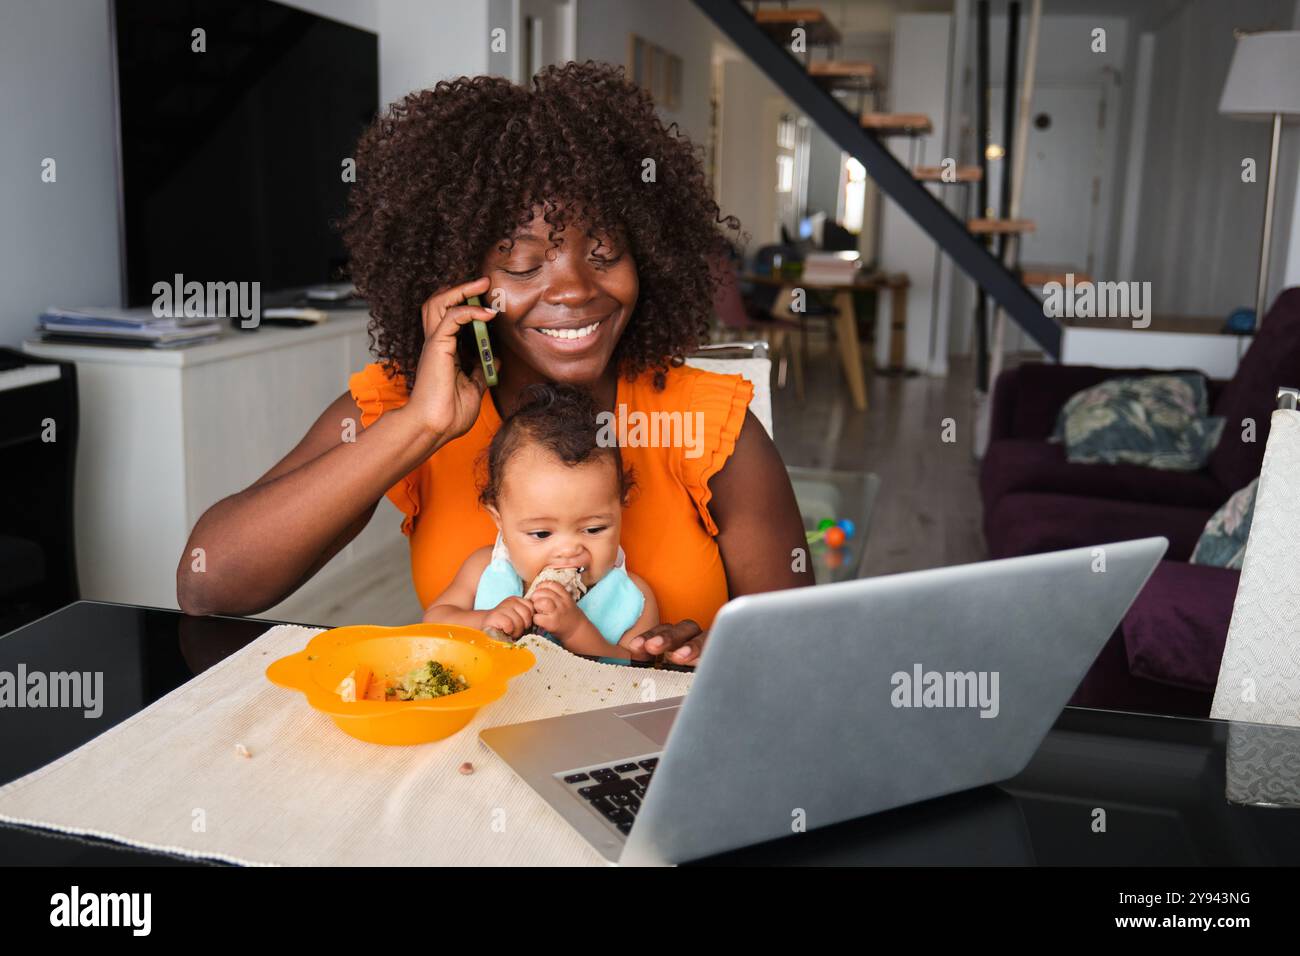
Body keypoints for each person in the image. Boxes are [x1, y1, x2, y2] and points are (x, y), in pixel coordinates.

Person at [177, 61, 813, 666]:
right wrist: (420, 428)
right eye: (522, 264)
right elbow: (210, 585)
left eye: (605, 252)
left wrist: (695, 662)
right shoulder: (406, 407)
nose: (573, 289)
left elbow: (799, 655)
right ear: (461, 275)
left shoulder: (709, 425)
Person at [422, 382, 657, 661]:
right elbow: (434, 622)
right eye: (542, 533)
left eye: (594, 529)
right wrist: (486, 619)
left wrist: (577, 631)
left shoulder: (634, 598)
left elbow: (637, 673)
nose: (568, 550)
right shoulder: (484, 568)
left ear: (622, 506)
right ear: (499, 519)